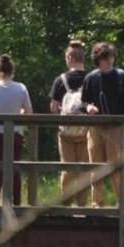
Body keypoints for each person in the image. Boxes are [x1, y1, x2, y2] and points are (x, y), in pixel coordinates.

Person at [81, 42, 124, 208]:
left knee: (117, 166)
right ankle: (97, 204)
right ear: (98, 60)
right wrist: (88, 107)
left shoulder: (122, 77)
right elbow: (83, 103)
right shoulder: (90, 78)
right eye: (105, 58)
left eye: (111, 57)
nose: (109, 60)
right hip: (95, 128)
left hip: (117, 127)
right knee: (96, 166)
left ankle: (123, 203)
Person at [0, 54, 32, 207]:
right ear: (12, 70)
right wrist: (19, 114)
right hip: (15, 133)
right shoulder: (21, 88)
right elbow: (29, 112)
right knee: (14, 169)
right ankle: (16, 204)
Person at [47, 39, 91, 206]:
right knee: (84, 170)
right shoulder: (91, 78)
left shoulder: (61, 79)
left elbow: (53, 107)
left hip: (66, 132)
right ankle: (82, 206)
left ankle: (65, 205)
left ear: (70, 57)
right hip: (87, 131)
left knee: (67, 168)